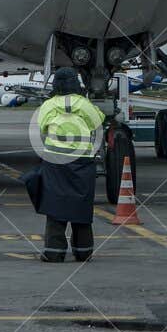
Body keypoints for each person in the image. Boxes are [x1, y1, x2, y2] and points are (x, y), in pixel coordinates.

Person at [29, 68, 105, 262]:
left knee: (55, 207)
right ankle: (83, 251)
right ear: (76, 84)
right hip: (82, 162)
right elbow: (99, 120)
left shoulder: (48, 105)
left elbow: (42, 125)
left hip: (55, 162)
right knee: (81, 207)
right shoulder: (84, 104)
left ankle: (54, 252)